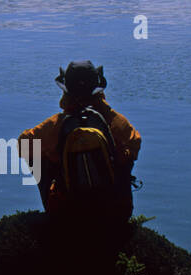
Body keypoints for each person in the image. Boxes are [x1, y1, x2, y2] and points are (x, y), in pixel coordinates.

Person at [19, 60, 141, 232]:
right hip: (115, 212)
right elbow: (135, 143)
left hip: (66, 214)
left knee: (33, 153)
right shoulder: (115, 122)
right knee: (125, 155)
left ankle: (54, 201)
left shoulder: (57, 124)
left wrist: (53, 155)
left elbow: (22, 144)